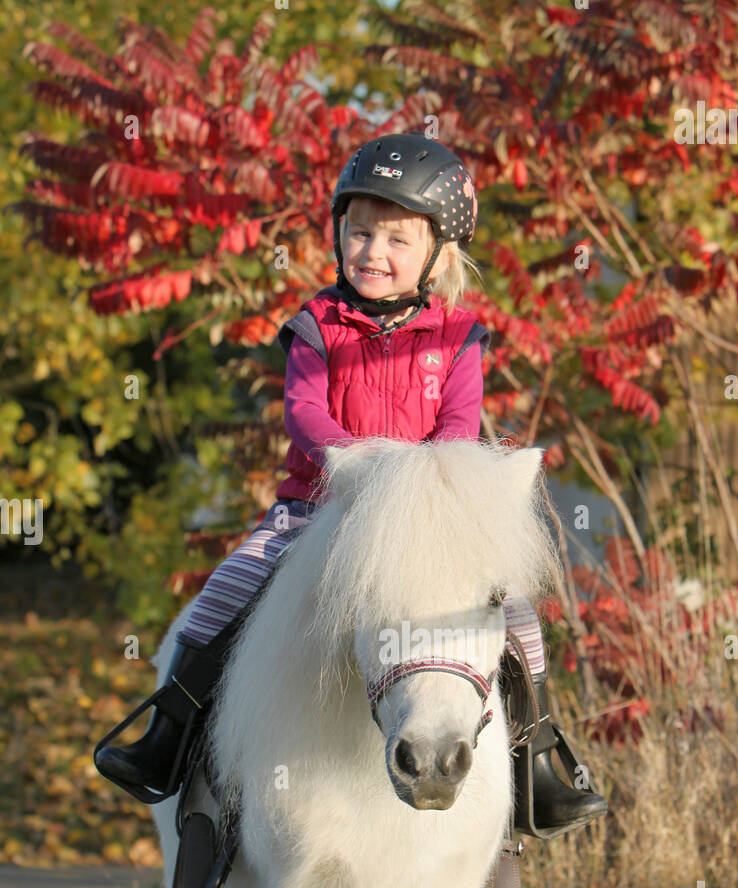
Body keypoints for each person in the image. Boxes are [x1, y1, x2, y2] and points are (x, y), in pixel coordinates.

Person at [94, 133, 606, 836]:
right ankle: (166, 739)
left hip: (426, 521)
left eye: (395, 239)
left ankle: (540, 760)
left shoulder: (459, 336)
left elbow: (460, 426)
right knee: (223, 595)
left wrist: (417, 488)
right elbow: (304, 412)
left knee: (516, 619)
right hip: (316, 507)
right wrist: (354, 465)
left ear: (437, 254)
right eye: (359, 232)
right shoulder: (316, 325)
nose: (371, 251)